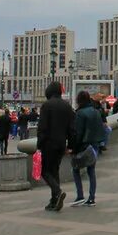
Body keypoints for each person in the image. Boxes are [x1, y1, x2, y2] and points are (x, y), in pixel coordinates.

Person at [38, 81, 75, 211]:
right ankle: (54, 201)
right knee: (54, 171)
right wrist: (70, 145)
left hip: (48, 143)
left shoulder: (46, 106)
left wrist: (39, 144)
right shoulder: (67, 106)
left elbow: (42, 127)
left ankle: (57, 192)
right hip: (61, 144)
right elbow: (72, 129)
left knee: (45, 171)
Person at [72, 90, 104, 207]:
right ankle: (91, 198)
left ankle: (80, 196)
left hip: (83, 146)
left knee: (76, 169)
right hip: (94, 145)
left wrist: (73, 148)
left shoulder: (80, 113)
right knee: (91, 171)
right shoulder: (96, 111)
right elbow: (101, 129)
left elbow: (78, 133)